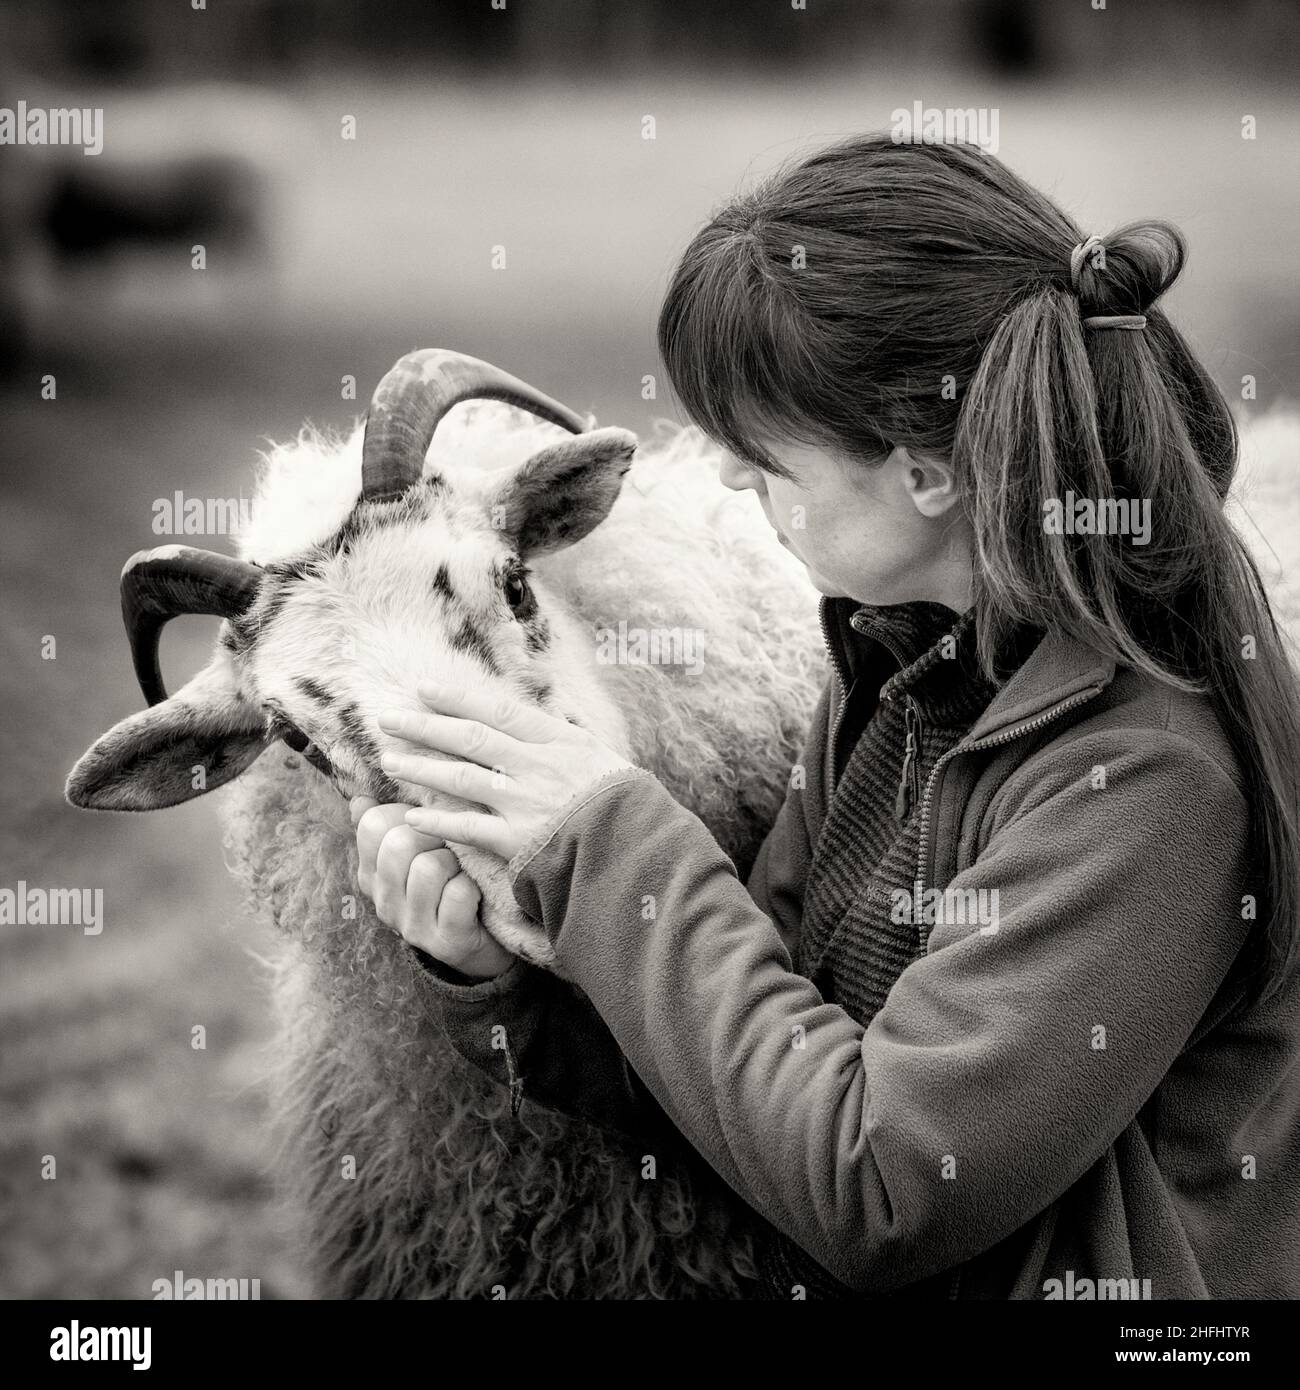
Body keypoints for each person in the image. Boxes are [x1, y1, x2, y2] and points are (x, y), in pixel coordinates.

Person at [350, 135, 1300, 1299]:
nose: (734, 482)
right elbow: (753, 1083)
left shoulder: (1146, 780)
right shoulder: (905, 669)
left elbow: (884, 1191)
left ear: (925, 475)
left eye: (761, 453)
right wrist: (494, 974)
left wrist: (613, 842)